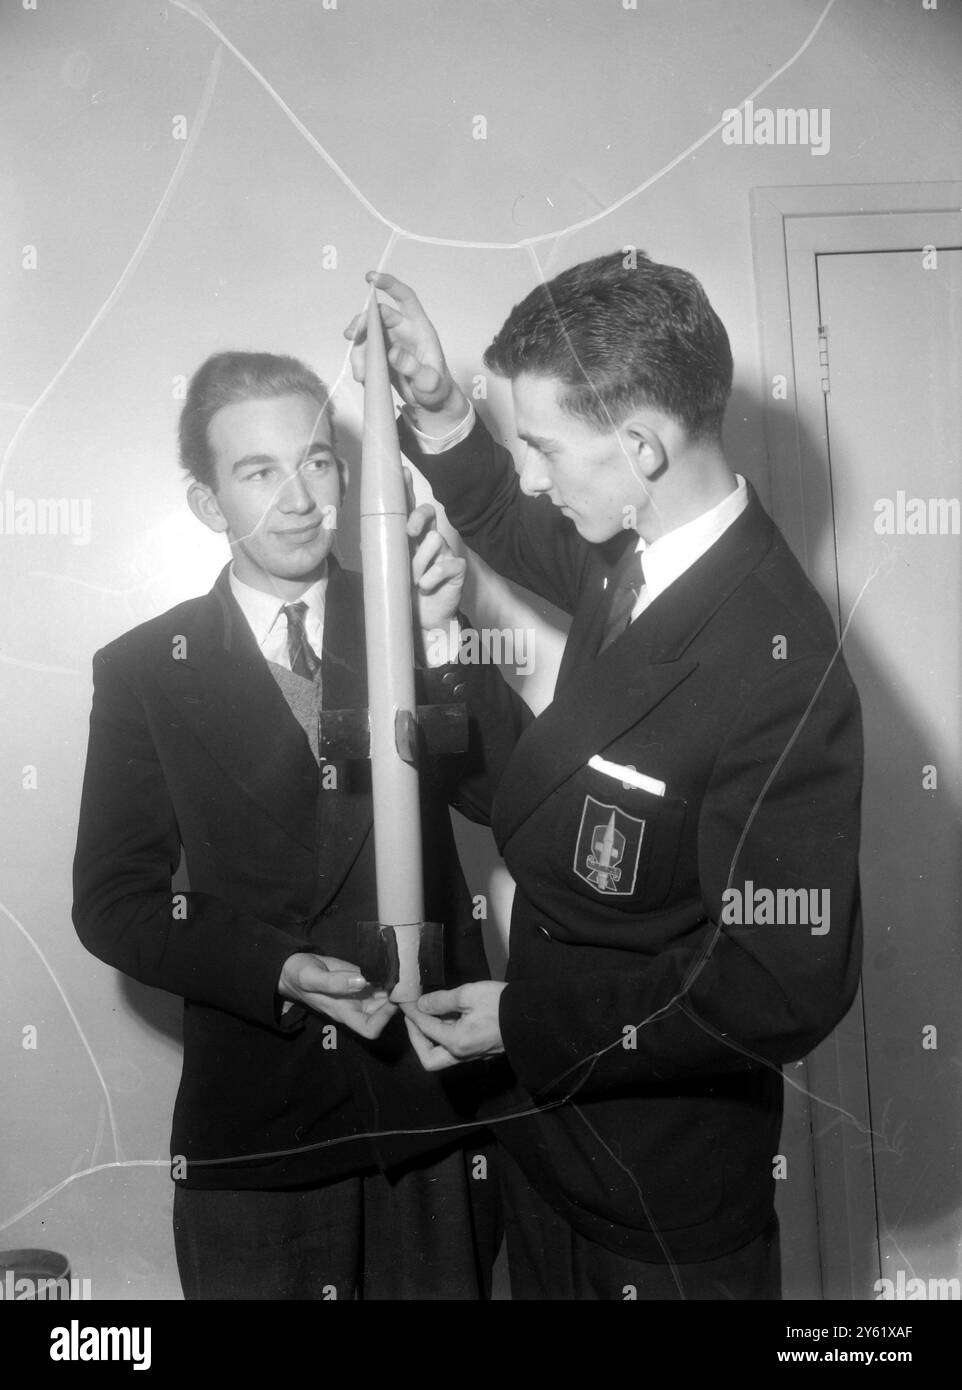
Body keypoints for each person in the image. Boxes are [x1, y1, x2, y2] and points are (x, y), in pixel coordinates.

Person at [345, 255, 864, 1300]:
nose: (530, 473)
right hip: (553, 1153)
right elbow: (510, 513)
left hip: (660, 1204)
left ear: (639, 445)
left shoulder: (778, 665)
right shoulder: (632, 548)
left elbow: (777, 981)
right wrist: (441, 410)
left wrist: (523, 1021)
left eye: (542, 445)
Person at [72, 350, 513, 1300]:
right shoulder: (146, 669)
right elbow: (113, 903)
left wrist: (443, 644)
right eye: (258, 471)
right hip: (259, 1135)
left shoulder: (413, 615)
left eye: (316, 462)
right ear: (207, 503)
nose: (301, 498)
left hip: (431, 1116)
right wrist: (274, 965)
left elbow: (519, 803)